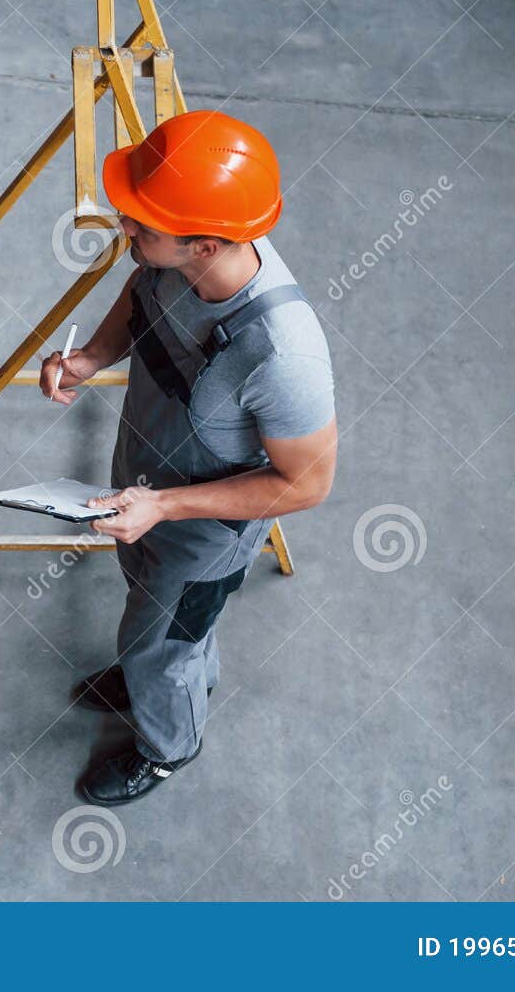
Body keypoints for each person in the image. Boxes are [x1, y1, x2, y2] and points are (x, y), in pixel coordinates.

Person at [39, 110, 337, 806]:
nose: (126, 231)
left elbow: (309, 483)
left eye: (141, 224)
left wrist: (165, 507)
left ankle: (167, 744)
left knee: (165, 642)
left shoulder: (282, 352)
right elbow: (141, 299)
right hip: (144, 488)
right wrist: (88, 359)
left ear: (204, 244)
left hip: (200, 532)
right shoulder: (170, 261)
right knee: (151, 612)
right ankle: (157, 662)